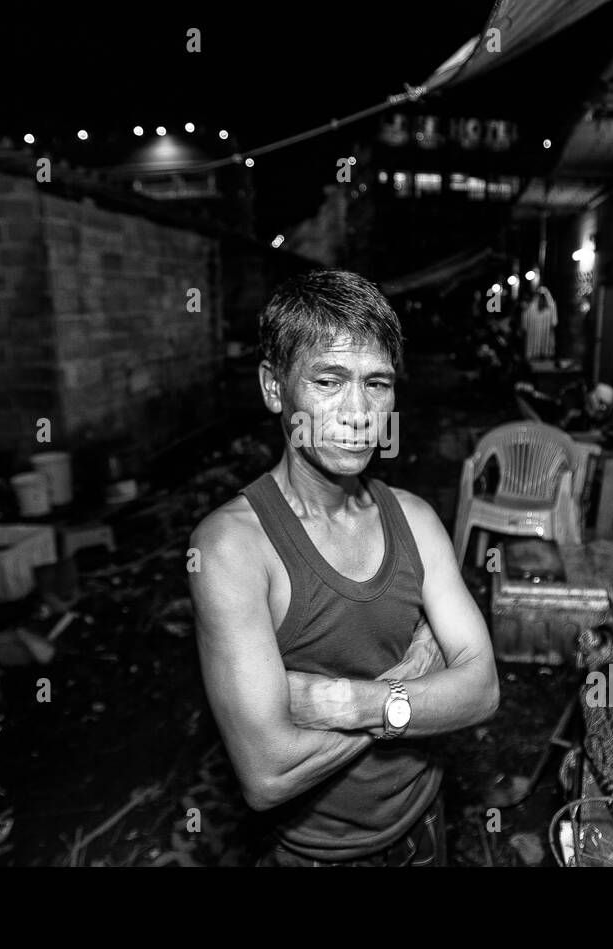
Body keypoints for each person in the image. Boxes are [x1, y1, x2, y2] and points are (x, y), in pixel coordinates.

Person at [188, 270, 500, 866]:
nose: (359, 413)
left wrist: (347, 702)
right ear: (274, 388)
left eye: (377, 383)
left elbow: (482, 690)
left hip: (424, 821)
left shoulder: (415, 519)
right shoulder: (232, 548)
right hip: (314, 853)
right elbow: (267, 775)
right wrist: (412, 682)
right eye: (328, 380)